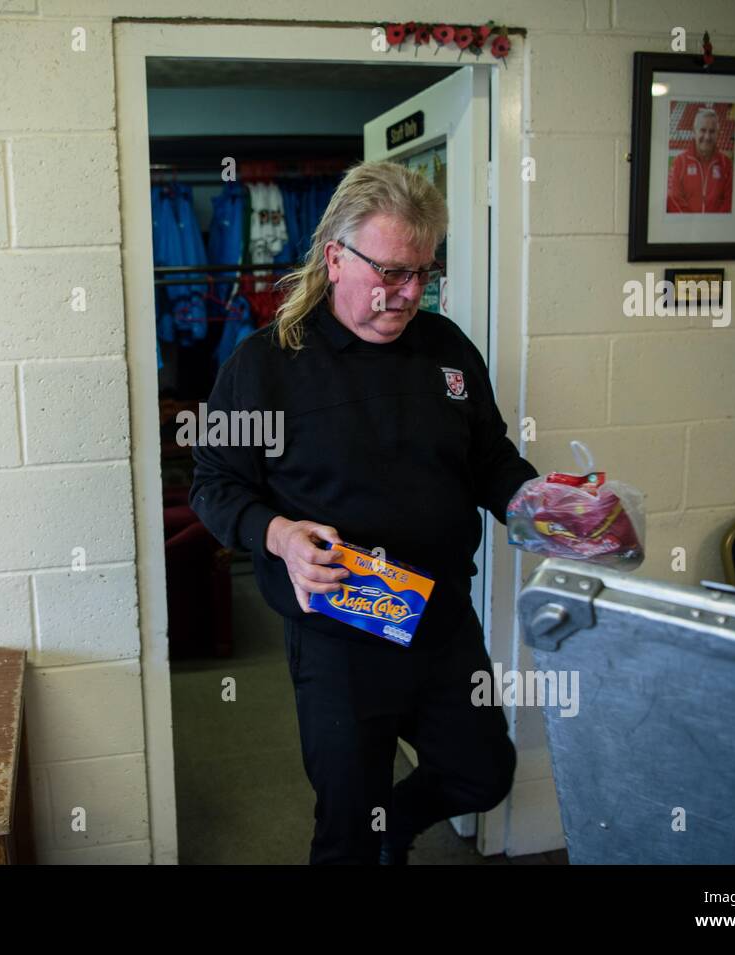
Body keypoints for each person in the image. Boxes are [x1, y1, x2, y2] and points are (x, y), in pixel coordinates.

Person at [188, 161, 539, 864]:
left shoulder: (448, 349)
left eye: (423, 273)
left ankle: (392, 825)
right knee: (346, 822)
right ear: (336, 257)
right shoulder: (265, 364)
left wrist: (541, 505)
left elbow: (490, 459)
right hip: (339, 631)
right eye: (391, 273)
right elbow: (214, 483)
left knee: (483, 769)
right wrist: (279, 535)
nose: (408, 293)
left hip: (440, 618)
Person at [666, 107, 734, 214]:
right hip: (685, 227)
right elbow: (673, 199)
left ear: (718, 133)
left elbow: (730, 201)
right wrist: (692, 224)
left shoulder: (726, 164)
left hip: (717, 228)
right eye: (703, 130)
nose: (707, 136)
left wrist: (713, 224)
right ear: (694, 131)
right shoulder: (680, 162)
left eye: (712, 131)